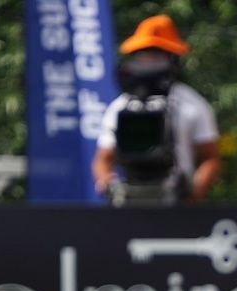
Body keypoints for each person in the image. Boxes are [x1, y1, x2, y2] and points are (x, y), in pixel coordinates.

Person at [91, 14, 220, 203]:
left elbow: (210, 157)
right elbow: (103, 158)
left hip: (177, 202)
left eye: (156, 54)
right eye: (143, 55)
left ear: (172, 59)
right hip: (130, 199)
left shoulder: (192, 105)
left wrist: (194, 191)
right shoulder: (120, 106)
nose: (149, 61)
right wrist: (108, 184)